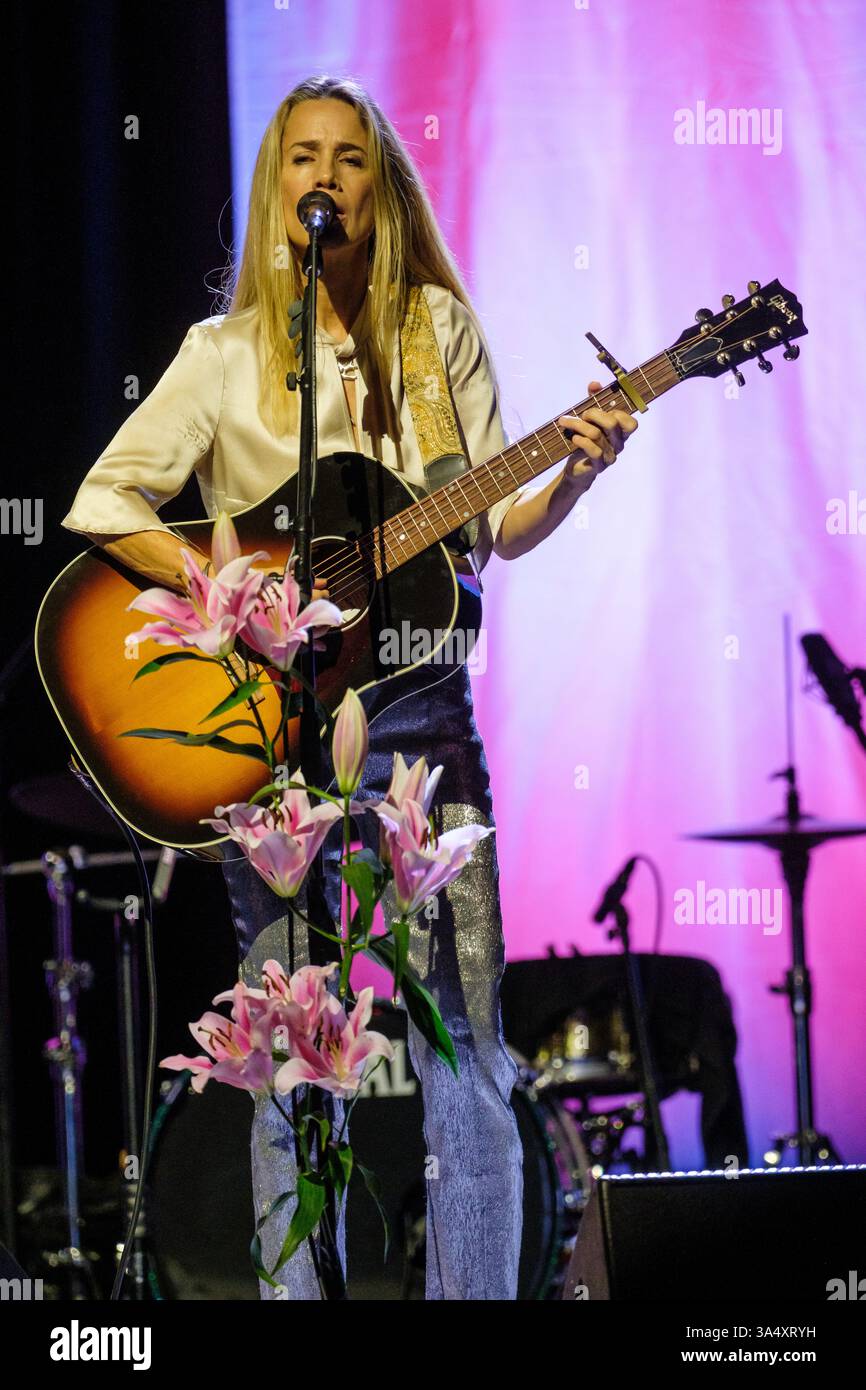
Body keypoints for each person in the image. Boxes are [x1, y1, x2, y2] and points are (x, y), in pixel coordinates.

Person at [61, 74, 637, 1300]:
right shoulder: (219, 358)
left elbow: (491, 525)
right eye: (301, 157)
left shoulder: (432, 332)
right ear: (278, 189)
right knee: (285, 1047)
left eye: (351, 159)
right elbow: (103, 500)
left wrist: (574, 473)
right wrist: (221, 586)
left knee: (465, 1047)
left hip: (420, 721)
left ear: (381, 188)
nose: (325, 176)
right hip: (268, 736)